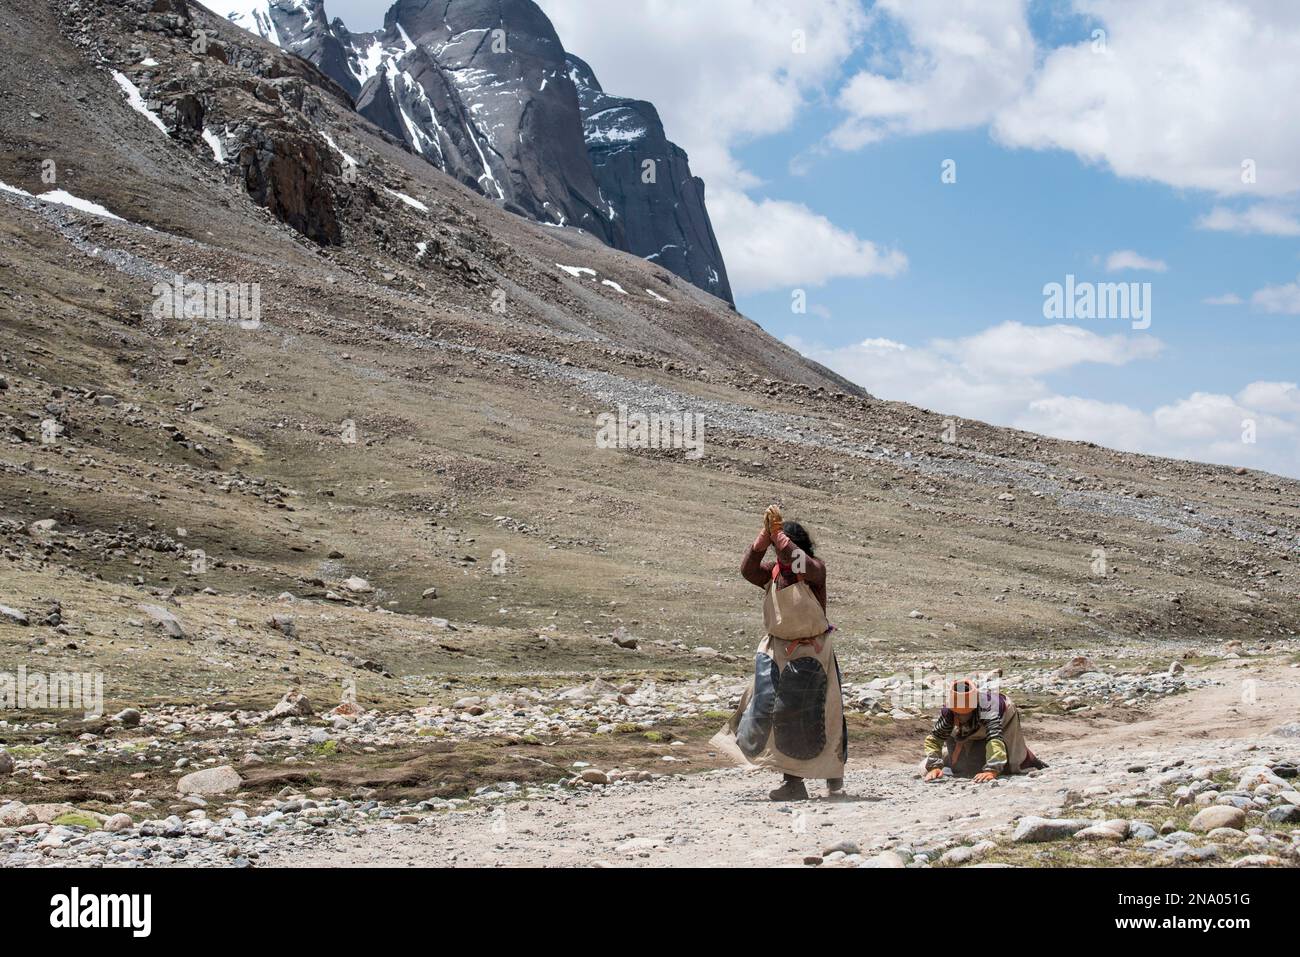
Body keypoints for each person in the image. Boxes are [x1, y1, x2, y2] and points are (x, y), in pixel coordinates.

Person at [711, 504, 847, 801]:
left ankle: (826, 779)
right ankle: (793, 781)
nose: (778, 553)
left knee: (814, 715)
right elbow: (747, 569)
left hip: (812, 653)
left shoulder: (814, 571)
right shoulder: (773, 573)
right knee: (775, 712)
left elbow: (794, 559)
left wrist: (778, 536)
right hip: (778, 650)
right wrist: (763, 538)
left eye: (780, 545)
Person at [922, 678, 1045, 782]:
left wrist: (992, 770)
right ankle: (947, 759)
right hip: (973, 724)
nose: (963, 717)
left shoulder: (988, 707)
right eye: (959, 714)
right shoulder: (948, 711)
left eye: (966, 713)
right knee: (965, 769)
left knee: (1013, 763)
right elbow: (935, 739)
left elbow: (994, 737)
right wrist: (934, 767)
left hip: (1005, 716)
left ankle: (1028, 759)